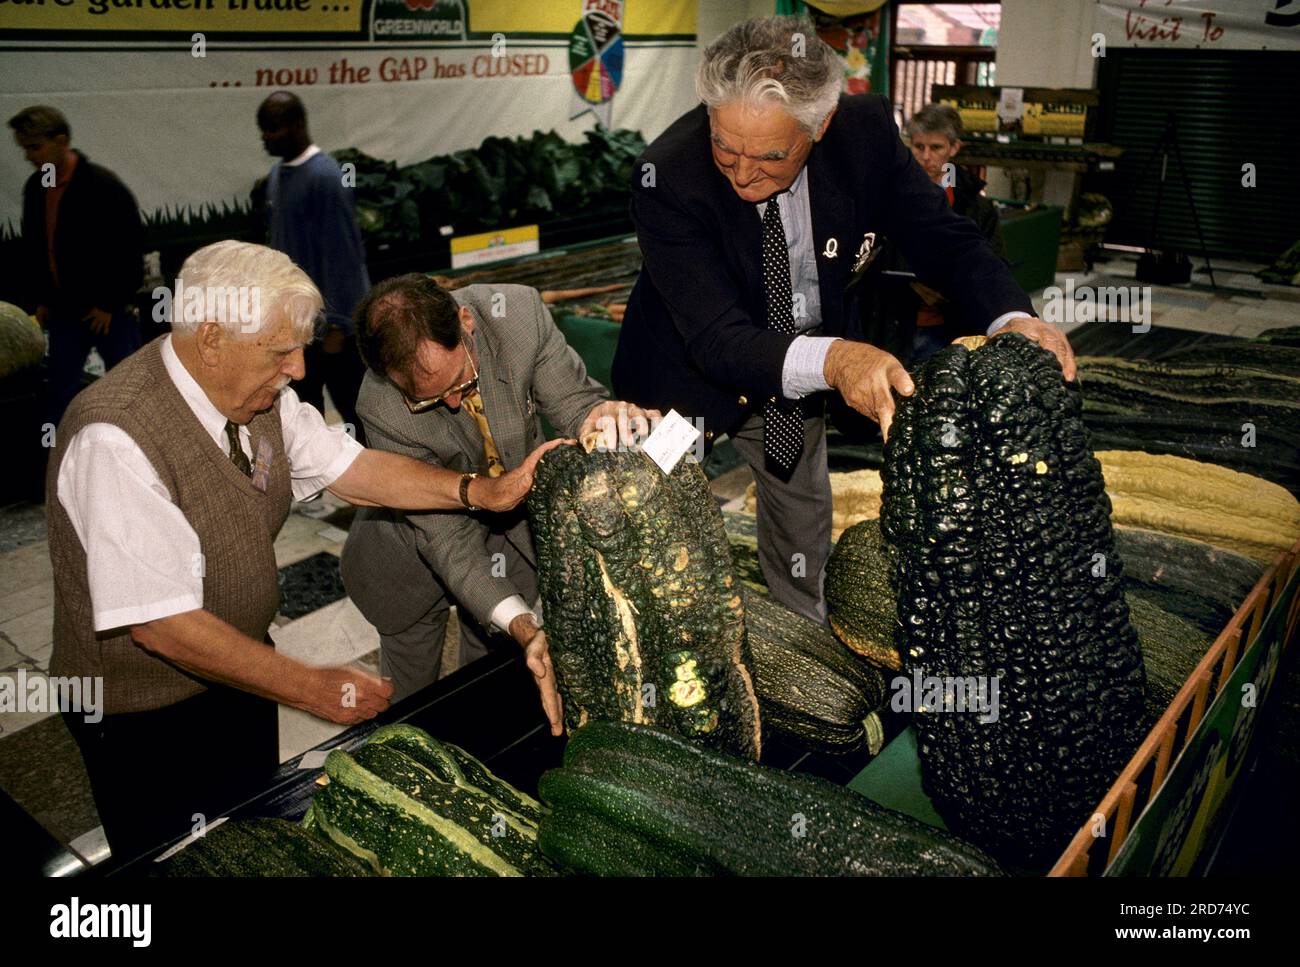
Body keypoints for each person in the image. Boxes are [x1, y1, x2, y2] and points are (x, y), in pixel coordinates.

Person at [47, 241, 565, 862]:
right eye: (281, 351)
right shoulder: (114, 437)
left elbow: (352, 469)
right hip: (141, 716)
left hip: (239, 672)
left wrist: (478, 491)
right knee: (169, 863)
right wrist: (310, 686)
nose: (298, 369)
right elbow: (162, 626)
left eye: (300, 347)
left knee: (251, 843)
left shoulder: (259, 398)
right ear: (211, 339)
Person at [611, 16, 1074, 623]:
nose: (743, 172)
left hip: (791, 381)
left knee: (803, 528)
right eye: (725, 146)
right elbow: (718, 339)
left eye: (772, 155)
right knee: (643, 519)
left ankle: (807, 654)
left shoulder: (865, 134)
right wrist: (834, 358)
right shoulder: (667, 175)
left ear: (821, 125)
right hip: (684, 385)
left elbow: (944, 239)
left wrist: (1009, 316)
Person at [341, 275, 656, 704]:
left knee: (490, 680)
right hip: (409, 559)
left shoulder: (518, 315)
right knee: (410, 702)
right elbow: (445, 537)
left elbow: (572, 405)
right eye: (429, 400)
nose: (453, 403)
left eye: (460, 382)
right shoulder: (380, 405)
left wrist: (605, 417)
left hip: (512, 535)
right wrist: (524, 626)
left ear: (466, 321)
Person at [9, 105, 143, 427]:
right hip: (63, 312)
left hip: (107, 315)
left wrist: (109, 304)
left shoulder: (101, 186)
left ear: (61, 140)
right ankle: (60, 464)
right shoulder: (36, 188)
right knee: (60, 395)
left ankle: (146, 456)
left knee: (133, 390)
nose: (29, 156)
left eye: (35, 147)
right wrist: (42, 297)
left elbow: (128, 246)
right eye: (25, 148)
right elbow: (37, 248)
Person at [256, 91, 369, 444]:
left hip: (332, 330)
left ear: (298, 125)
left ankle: (379, 490)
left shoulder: (325, 178)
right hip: (297, 326)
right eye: (263, 131)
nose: (266, 138)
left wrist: (339, 325)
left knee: (355, 411)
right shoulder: (276, 175)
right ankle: (318, 485)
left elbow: (344, 259)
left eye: (273, 129)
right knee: (304, 409)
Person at [879, 103, 1012, 363]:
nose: (926, 157)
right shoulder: (886, 196)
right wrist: (910, 284)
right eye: (918, 147)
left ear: (954, 148)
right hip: (893, 329)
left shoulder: (976, 207)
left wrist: (951, 292)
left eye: (936, 148)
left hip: (953, 331)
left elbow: (996, 266)